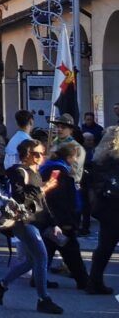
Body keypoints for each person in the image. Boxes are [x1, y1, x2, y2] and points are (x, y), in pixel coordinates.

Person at [0, 139, 64, 314]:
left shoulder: (34, 172)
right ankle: (43, 299)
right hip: (22, 221)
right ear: (26, 155)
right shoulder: (18, 171)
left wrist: (53, 222)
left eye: (42, 153)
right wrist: (44, 188)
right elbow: (21, 197)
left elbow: (41, 201)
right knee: (41, 257)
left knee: (32, 260)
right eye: (37, 154)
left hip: (34, 220)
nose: (41, 157)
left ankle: (1, 285)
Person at [39, 141, 90, 290]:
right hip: (61, 220)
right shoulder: (59, 172)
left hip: (51, 218)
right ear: (69, 157)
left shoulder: (51, 168)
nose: (75, 161)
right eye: (75, 158)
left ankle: (39, 278)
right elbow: (60, 198)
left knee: (48, 249)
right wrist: (67, 220)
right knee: (71, 250)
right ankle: (84, 281)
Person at [88, 125, 119, 294]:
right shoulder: (116, 160)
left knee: (105, 247)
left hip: (106, 208)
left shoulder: (100, 159)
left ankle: (94, 281)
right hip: (115, 207)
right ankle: (95, 282)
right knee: (105, 247)